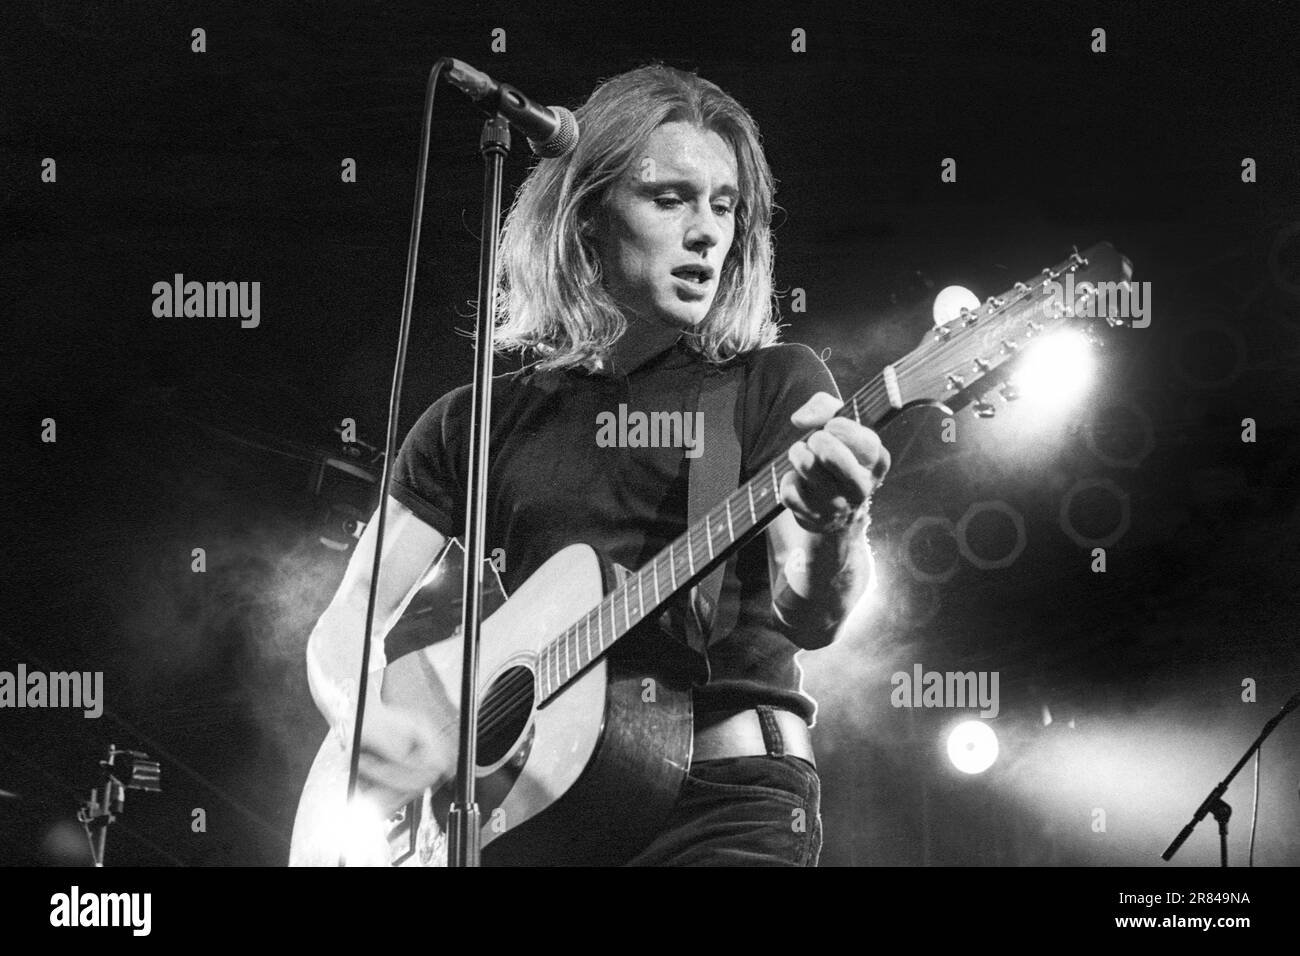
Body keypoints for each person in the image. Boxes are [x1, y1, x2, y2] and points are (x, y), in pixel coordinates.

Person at [305, 64, 890, 866]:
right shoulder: (477, 418)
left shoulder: (775, 384)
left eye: (725, 206)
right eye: (671, 197)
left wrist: (834, 529)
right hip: (530, 813)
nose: (708, 231)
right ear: (587, 218)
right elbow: (353, 612)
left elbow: (812, 616)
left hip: (725, 807)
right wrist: (364, 718)